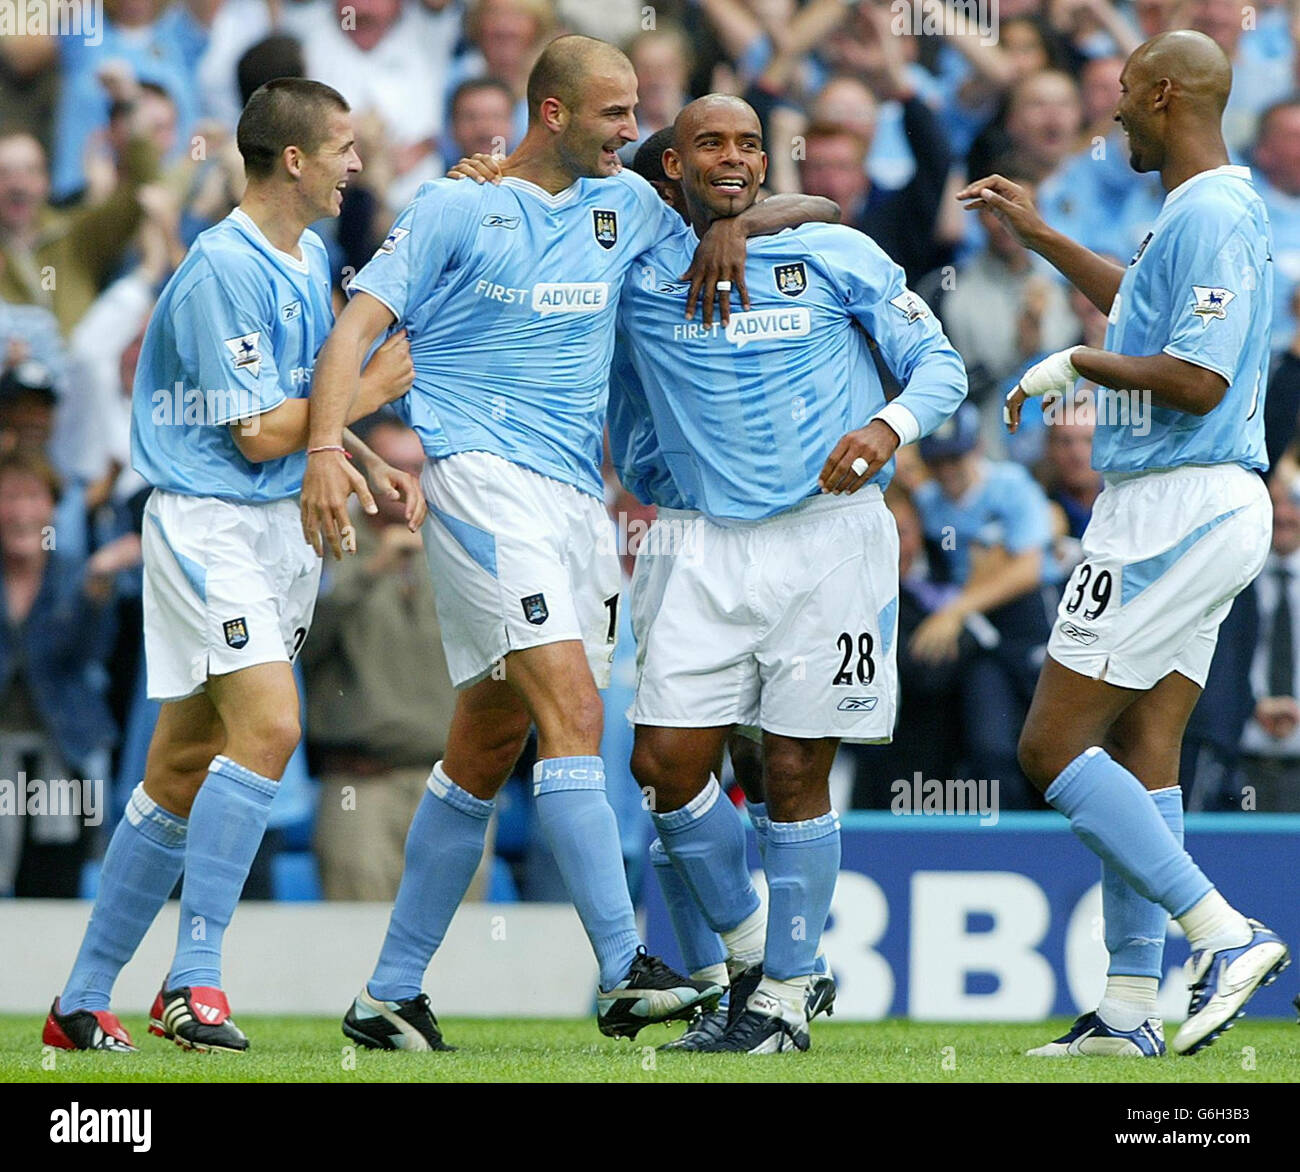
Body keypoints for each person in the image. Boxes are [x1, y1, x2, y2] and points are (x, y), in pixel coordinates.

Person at [303, 34, 837, 1050]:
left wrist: (726, 231)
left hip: (570, 499)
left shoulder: (630, 207)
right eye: (615, 114)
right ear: (552, 113)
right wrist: (328, 442)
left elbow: (803, 215)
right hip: (476, 478)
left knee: (487, 742)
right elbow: (353, 327)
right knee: (574, 709)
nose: (634, 131)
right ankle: (623, 965)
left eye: (637, 113)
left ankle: (389, 996)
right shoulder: (460, 205)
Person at [43, 78, 421, 1055]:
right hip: (211, 523)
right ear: (292, 158)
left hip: (276, 530)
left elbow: (306, 401)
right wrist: (374, 388)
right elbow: (257, 433)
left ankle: (80, 998)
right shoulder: (221, 267)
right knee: (273, 724)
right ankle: (194, 975)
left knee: (178, 762)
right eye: (341, 145)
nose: (355, 162)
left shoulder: (304, 257)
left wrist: (357, 453)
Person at [959, 28, 1289, 1058]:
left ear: (1159, 94)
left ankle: (1225, 934)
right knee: (1144, 749)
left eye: (1117, 98)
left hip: (1173, 504)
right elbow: (1143, 313)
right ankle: (1127, 1007)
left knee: (1050, 744)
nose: (1108, 117)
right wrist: (1045, 239)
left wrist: (1078, 363)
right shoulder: (1188, 213)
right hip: (1189, 501)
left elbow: (1196, 377)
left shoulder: (1220, 213)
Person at [614, 94, 967, 1052]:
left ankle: (775, 1001)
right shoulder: (634, 267)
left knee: (794, 765)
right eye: (711, 144)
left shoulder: (839, 253)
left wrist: (885, 426)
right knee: (666, 765)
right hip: (694, 543)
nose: (736, 156)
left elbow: (939, 365)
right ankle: (768, 952)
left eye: (751, 144)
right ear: (671, 168)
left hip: (831, 538)